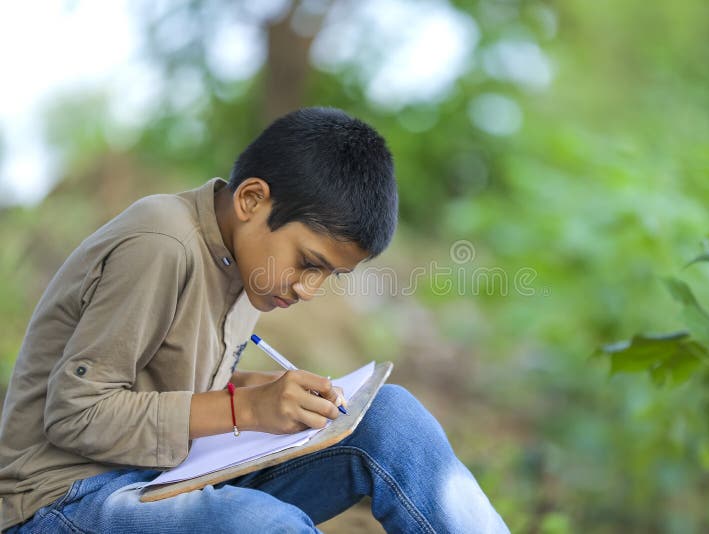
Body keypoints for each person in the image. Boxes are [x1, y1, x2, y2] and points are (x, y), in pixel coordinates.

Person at [0, 107, 509, 533]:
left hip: (167, 475)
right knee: (265, 527)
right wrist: (247, 409)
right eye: (309, 264)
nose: (309, 290)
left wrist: (260, 390)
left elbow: (161, 370)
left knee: (390, 419)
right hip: (61, 499)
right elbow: (74, 414)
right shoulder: (161, 243)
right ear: (251, 200)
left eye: (329, 275)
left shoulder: (245, 263)